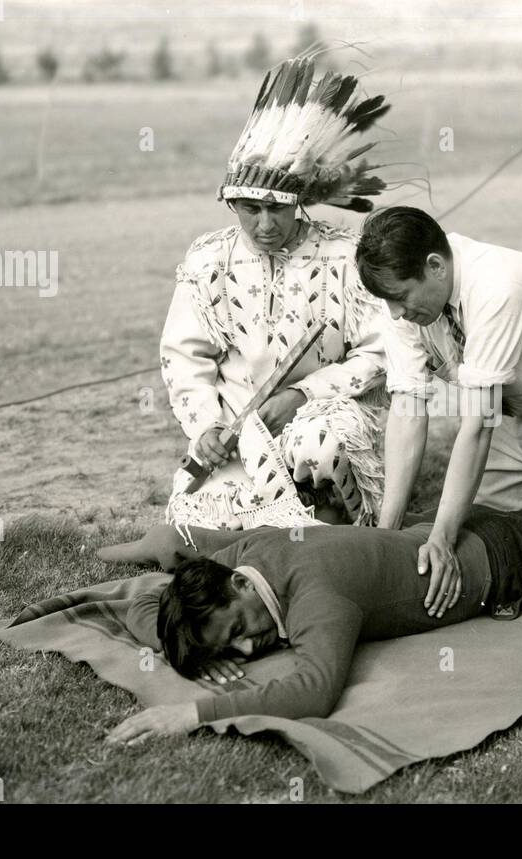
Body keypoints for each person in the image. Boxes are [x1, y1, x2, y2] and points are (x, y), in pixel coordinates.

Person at [104, 508, 522, 744]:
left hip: (510, 563)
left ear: (238, 586)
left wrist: (190, 714)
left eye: (238, 628)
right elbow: (151, 604)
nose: (246, 646)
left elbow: (314, 690)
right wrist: (198, 650)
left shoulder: (319, 597)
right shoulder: (241, 558)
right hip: (443, 534)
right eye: (229, 645)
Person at [160, 54, 397, 531]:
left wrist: (303, 393)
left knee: (320, 445)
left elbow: (382, 353)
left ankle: (346, 525)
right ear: (232, 204)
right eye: (250, 209)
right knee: (201, 517)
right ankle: (299, 515)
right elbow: (185, 358)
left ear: (299, 203)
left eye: (277, 209)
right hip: (237, 427)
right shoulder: (208, 261)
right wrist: (207, 426)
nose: (264, 225)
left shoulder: (345, 255)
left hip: (323, 413)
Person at [352, 206, 522, 616]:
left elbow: (476, 427)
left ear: (435, 266)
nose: (397, 313)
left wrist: (440, 538)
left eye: (401, 298)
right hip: (510, 419)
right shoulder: (401, 301)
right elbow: (408, 409)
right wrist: (386, 532)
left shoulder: (496, 286)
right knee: (486, 541)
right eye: (389, 302)